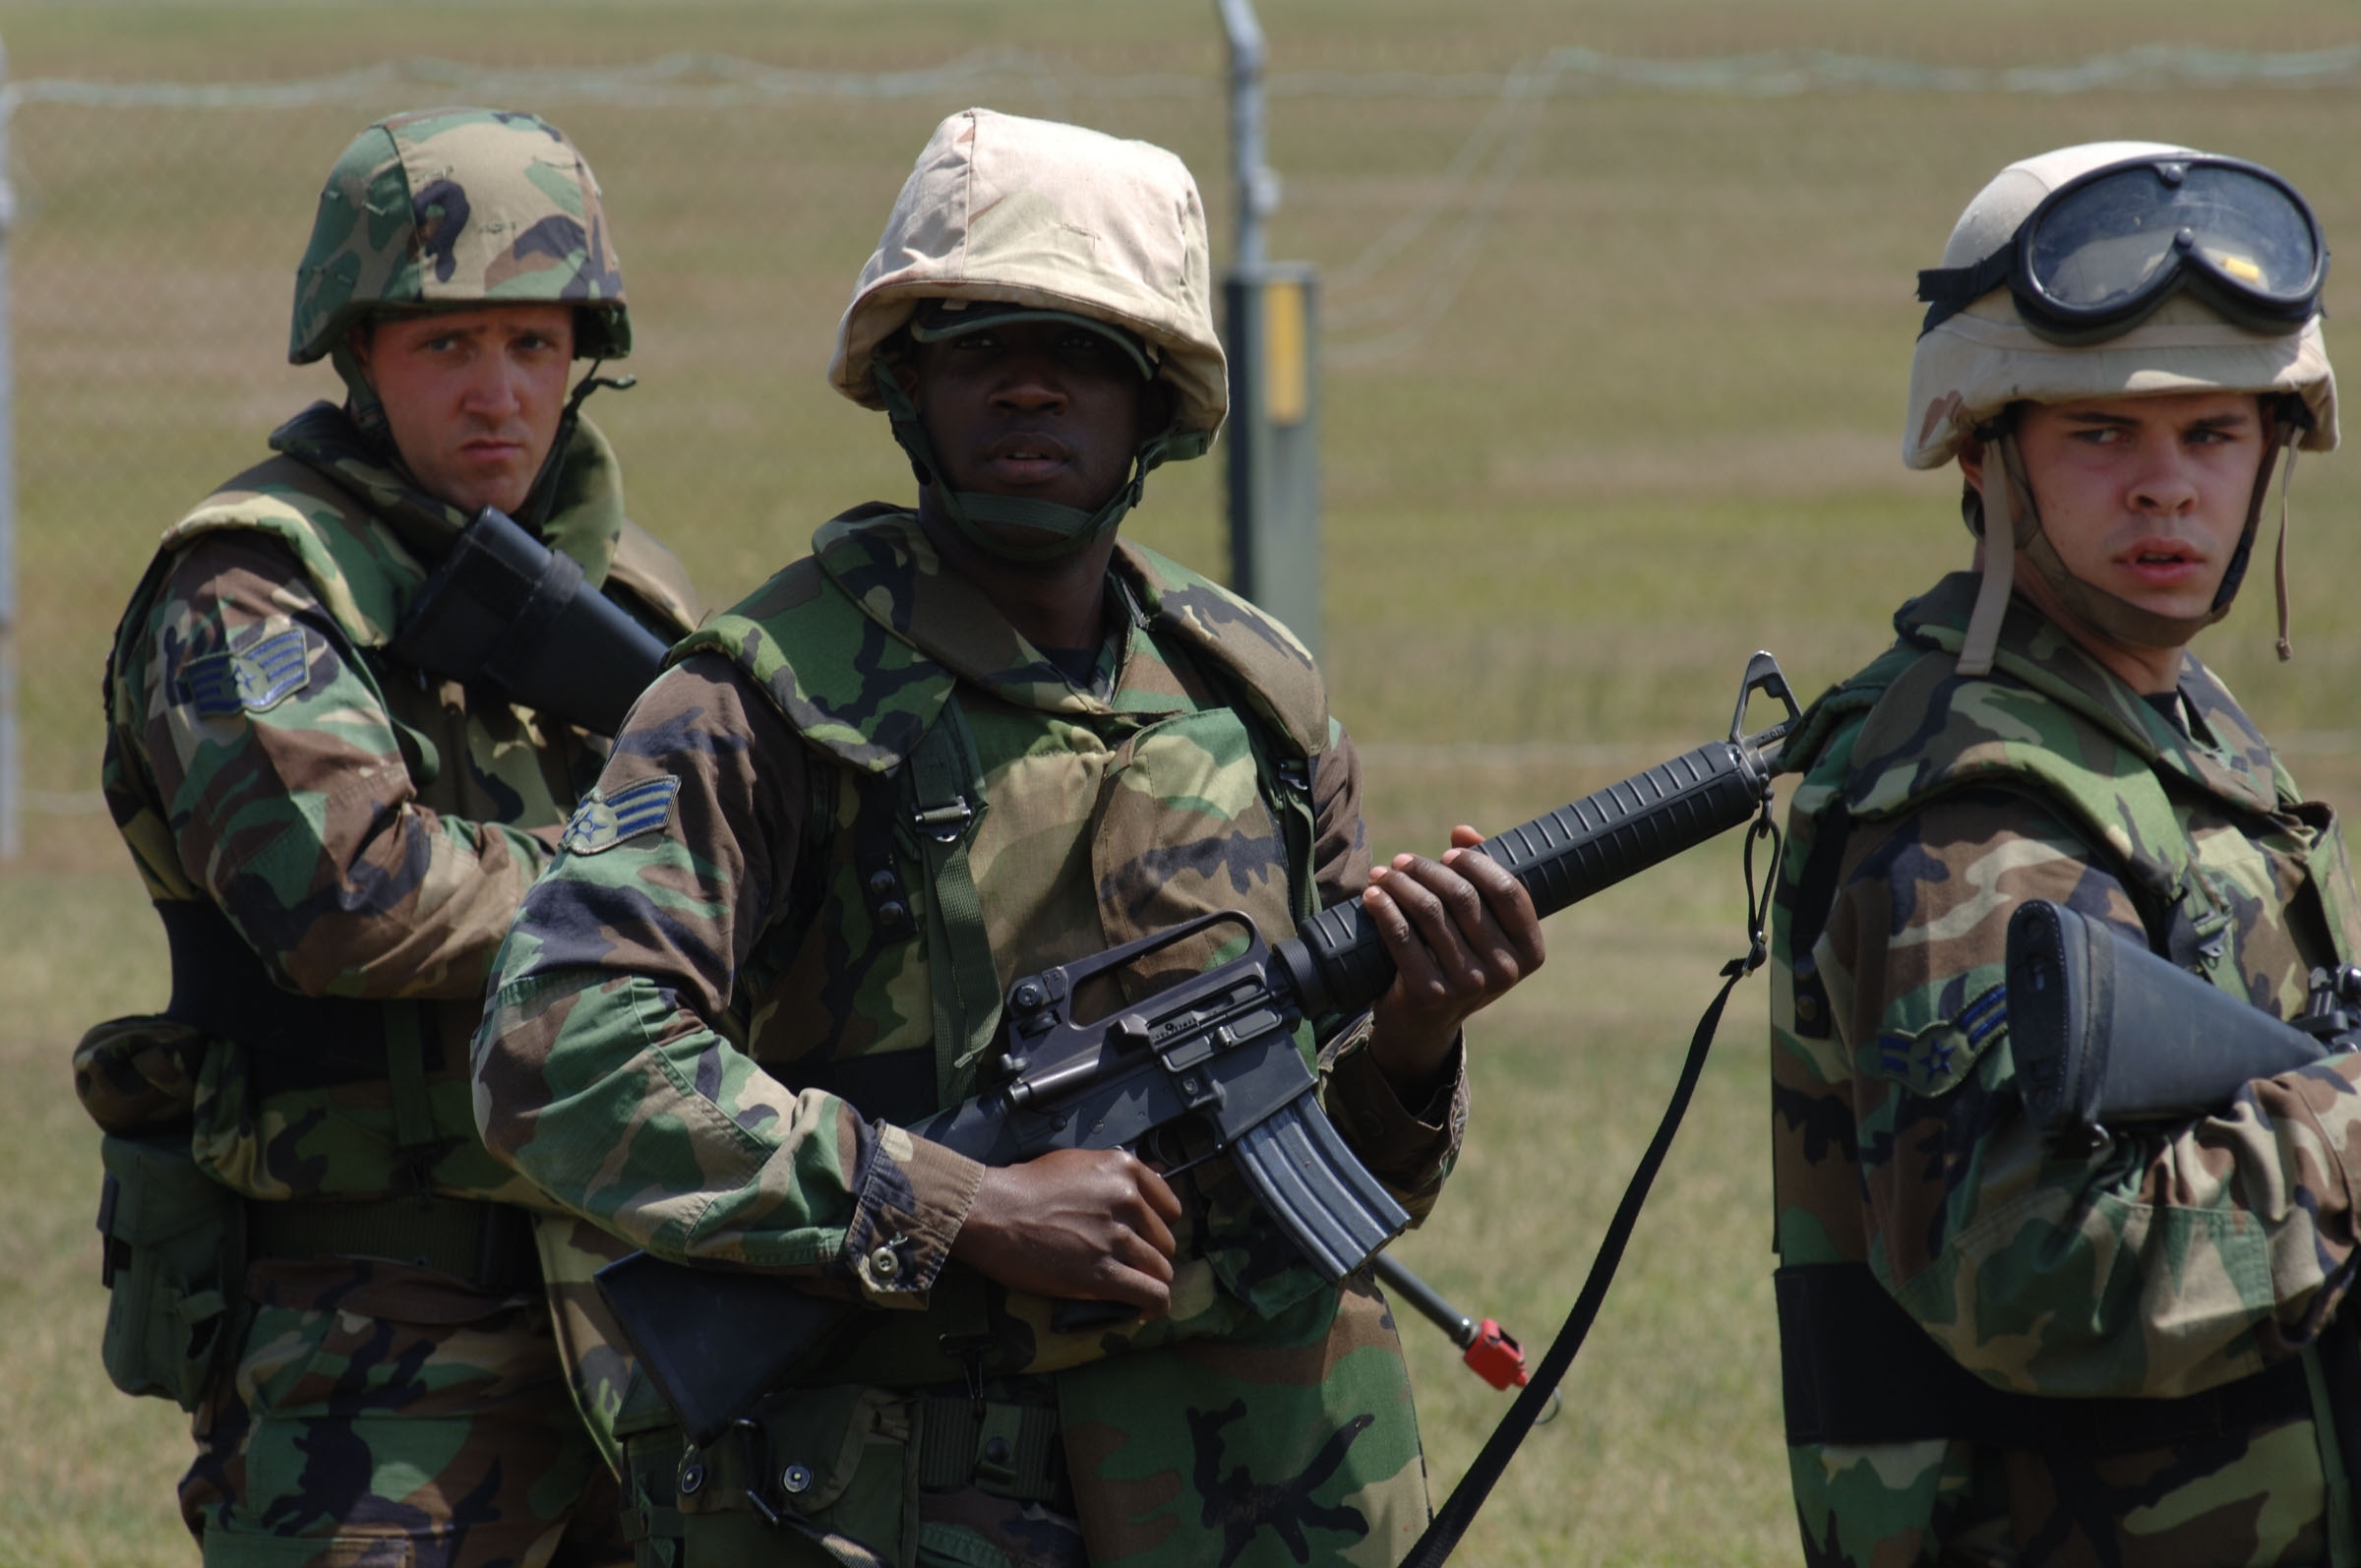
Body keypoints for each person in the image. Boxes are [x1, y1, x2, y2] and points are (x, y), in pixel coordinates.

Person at [471, 107, 1544, 1568]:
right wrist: (957, 1202)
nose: (1032, 382)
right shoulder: (761, 700)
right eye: (979, 339)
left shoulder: (1258, 702)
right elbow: (556, 1054)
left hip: (1259, 1491)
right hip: (907, 1501)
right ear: (909, 384)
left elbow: (1328, 1193)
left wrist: (1418, 1038)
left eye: (1084, 348)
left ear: (1156, 403)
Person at [78, 107, 702, 1565]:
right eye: (446, 347)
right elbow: (354, 898)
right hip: (369, 1331)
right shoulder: (249, 592)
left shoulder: (642, 601)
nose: (499, 393)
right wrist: (664, 880)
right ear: (359, 355)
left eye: (534, 346)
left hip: (640, 1311)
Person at [1769, 141, 2361, 1566]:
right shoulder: (1974, 806)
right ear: (1982, 454)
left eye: (2215, 434)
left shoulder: (2159, 714)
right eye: (2101, 436)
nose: (2168, 490)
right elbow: (2035, 1268)